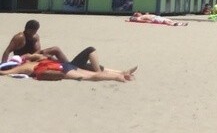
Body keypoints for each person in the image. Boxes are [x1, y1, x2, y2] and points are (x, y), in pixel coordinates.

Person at [1, 53, 137, 82]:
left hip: (58, 69)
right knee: (90, 73)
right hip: (64, 65)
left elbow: (6, 72)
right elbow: (39, 55)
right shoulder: (35, 60)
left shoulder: (24, 67)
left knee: (91, 77)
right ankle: (121, 74)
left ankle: (118, 77)